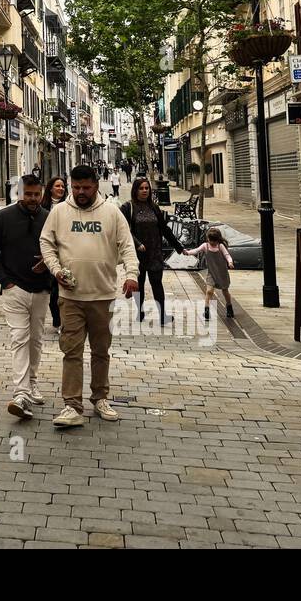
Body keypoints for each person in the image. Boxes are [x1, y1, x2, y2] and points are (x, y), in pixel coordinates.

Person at [39, 165, 139, 426]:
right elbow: (46, 242)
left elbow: (127, 246)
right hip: (70, 296)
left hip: (102, 294)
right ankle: (72, 405)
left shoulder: (111, 213)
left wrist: (132, 275)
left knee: (100, 350)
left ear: (96, 185)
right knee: (71, 351)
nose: (80, 192)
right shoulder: (60, 212)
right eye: (76, 187)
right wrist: (55, 269)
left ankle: (100, 398)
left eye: (86, 187)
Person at [0, 174, 52, 420]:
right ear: (20, 193)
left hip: (42, 289)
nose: (33, 199)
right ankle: (21, 393)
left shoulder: (49, 218)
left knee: (35, 339)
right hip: (14, 290)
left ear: (42, 194)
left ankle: (32, 383)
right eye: (28, 194)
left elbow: (59, 249)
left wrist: (48, 264)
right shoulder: (4, 217)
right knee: (19, 338)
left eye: (37, 194)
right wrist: (6, 281)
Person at [121, 177, 187, 325]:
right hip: (137, 254)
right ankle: (140, 311)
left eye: (147, 188)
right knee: (140, 284)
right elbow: (123, 230)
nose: (144, 191)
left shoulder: (154, 207)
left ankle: (163, 314)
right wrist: (137, 243)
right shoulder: (128, 207)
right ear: (135, 190)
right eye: (141, 188)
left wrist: (178, 247)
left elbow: (164, 229)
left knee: (157, 283)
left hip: (155, 252)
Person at [188, 227, 235, 320]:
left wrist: (230, 262)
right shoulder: (205, 246)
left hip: (222, 273)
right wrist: (187, 252)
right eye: (210, 240)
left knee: (225, 291)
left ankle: (229, 306)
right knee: (209, 291)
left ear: (218, 240)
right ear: (208, 239)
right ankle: (206, 309)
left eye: (214, 241)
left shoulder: (220, 246)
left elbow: (227, 255)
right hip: (211, 272)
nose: (212, 243)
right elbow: (196, 250)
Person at [43, 176, 68, 336]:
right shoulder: (43, 206)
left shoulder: (69, 206)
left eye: (63, 186)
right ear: (50, 188)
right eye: (57, 186)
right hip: (48, 253)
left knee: (61, 289)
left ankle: (62, 321)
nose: (61, 189)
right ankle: (57, 320)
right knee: (52, 291)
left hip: (65, 253)